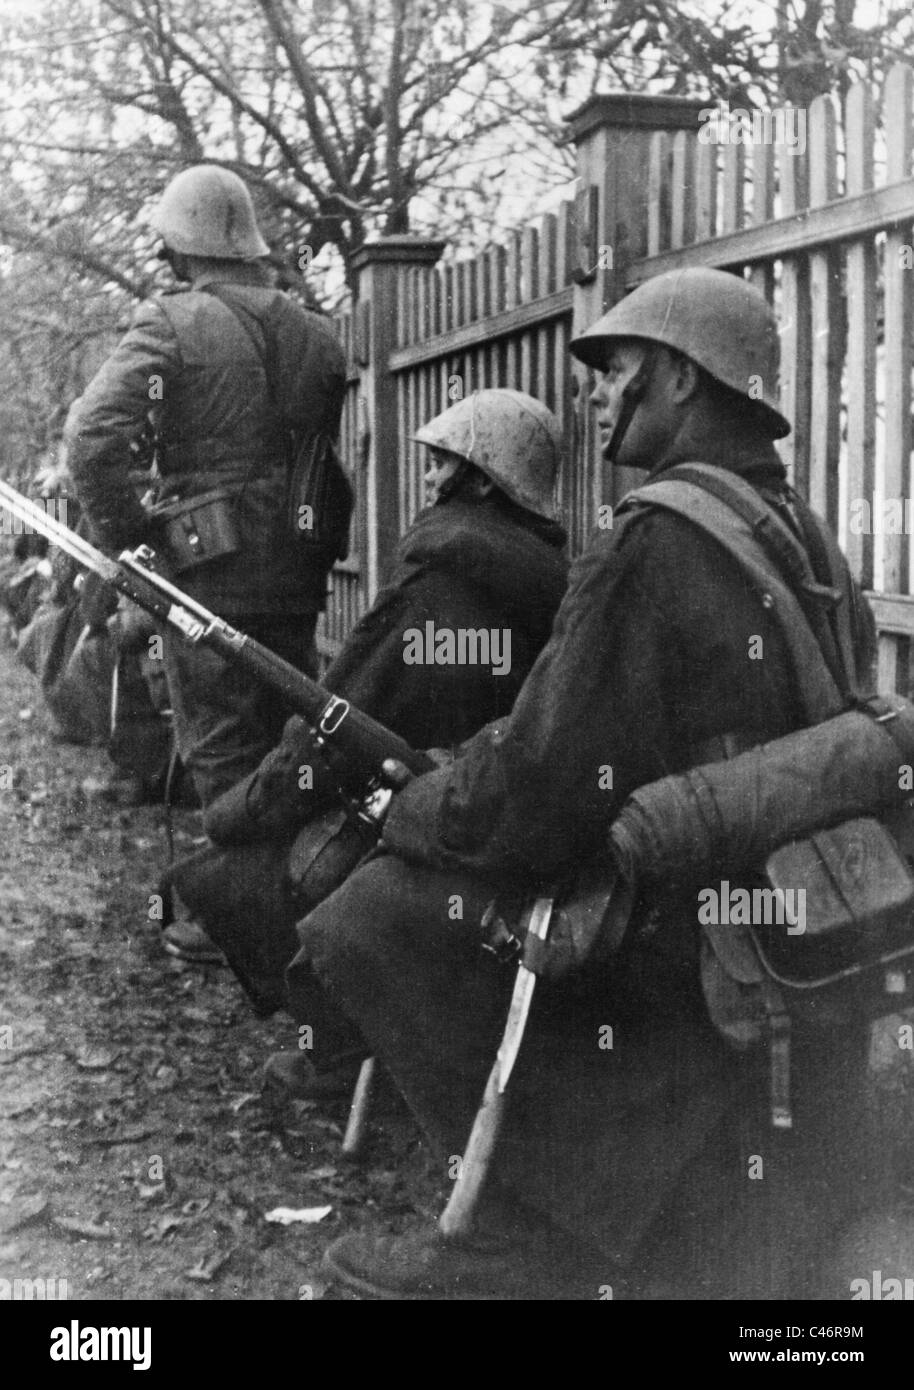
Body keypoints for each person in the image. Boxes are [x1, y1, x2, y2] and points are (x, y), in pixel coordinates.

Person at [287, 266, 876, 1300]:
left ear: (681, 381)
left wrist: (412, 803)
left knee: (368, 913)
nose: (597, 393)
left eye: (616, 369)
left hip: (677, 932)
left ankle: (524, 1228)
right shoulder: (801, 530)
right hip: (783, 906)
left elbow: (533, 802)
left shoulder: (651, 541)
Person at [167, 389, 569, 1045]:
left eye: (444, 463)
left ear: (484, 480)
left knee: (226, 875)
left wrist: (236, 812)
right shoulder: (551, 581)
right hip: (497, 820)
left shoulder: (435, 586)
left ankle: (334, 1044)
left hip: (419, 824)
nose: (430, 478)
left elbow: (328, 731)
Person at [68, 165, 347, 813]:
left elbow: (90, 436)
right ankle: (296, 900)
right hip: (299, 576)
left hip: (207, 578)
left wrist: (134, 536)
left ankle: (239, 909)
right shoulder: (318, 336)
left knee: (223, 765)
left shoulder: (170, 322)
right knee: (289, 754)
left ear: (179, 246)